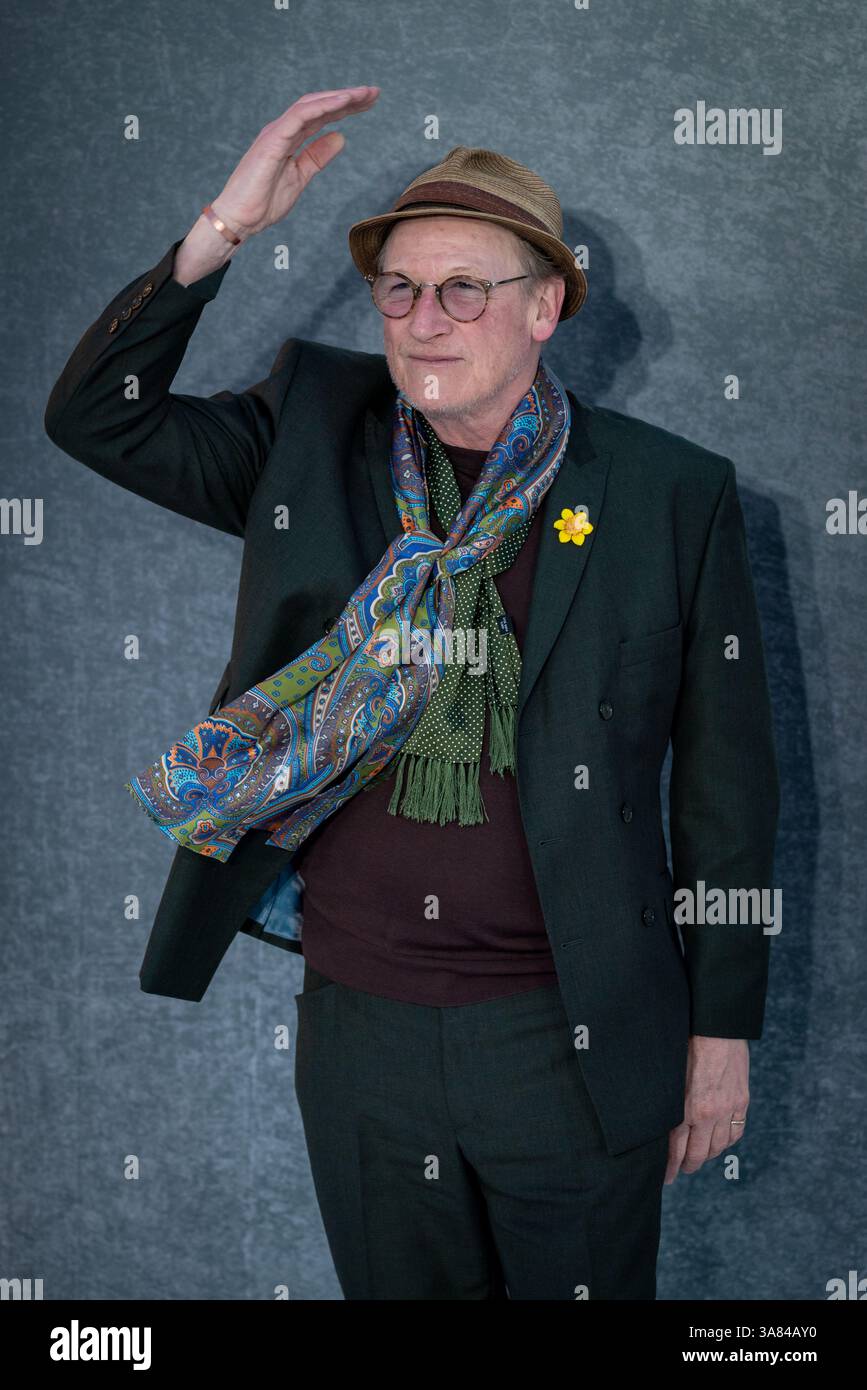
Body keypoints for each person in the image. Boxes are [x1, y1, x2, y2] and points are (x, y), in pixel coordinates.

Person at [44, 86, 780, 1300]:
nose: (422, 320)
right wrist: (227, 224)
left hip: (575, 1034)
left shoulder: (667, 494)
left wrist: (723, 1029)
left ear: (545, 307)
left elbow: (727, 787)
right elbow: (94, 419)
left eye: (463, 290)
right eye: (400, 287)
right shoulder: (308, 434)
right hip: (363, 1034)